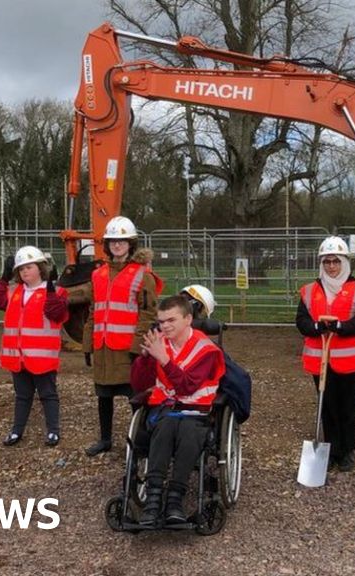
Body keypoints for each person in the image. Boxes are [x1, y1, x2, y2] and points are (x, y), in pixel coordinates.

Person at [130, 295, 226, 526]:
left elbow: (187, 386)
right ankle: (154, 497)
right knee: (165, 427)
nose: (165, 326)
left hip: (197, 411)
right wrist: (144, 360)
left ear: (188, 319)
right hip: (167, 409)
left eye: (171, 320)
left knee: (188, 433)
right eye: (161, 321)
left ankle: (175, 497)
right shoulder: (159, 343)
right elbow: (138, 384)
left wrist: (163, 359)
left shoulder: (206, 350)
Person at [83, 216, 162, 457]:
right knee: (103, 395)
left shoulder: (142, 275)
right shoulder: (98, 274)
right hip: (104, 346)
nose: (117, 245)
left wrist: (138, 345)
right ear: (107, 245)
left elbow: (148, 313)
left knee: (134, 397)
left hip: (127, 348)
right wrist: (88, 344)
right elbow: (92, 311)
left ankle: (139, 442)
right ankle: (105, 440)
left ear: (130, 244)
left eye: (122, 241)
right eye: (112, 241)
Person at [295, 236, 355, 472]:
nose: (331, 266)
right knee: (326, 404)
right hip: (321, 359)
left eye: (335, 261)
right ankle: (330, 448)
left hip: (350, 361)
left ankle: (347, 450)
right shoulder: (309, 291)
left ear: (344, 262)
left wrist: (341, 327)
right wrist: (316, 327)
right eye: (327, 262)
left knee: (348, 405)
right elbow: (301, 320)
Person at [0, 246, 70, 447]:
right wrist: (3, 278)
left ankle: (53, 431)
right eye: (21, 268)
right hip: (19, 358)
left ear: (41, 268)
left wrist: (50, 288)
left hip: (42, 358)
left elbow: (56, 313)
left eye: (30, 267)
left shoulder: (56, 292)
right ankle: (17, 431)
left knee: (48, 395)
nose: (25, 271)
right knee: (22, 396)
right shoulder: (15, 292)